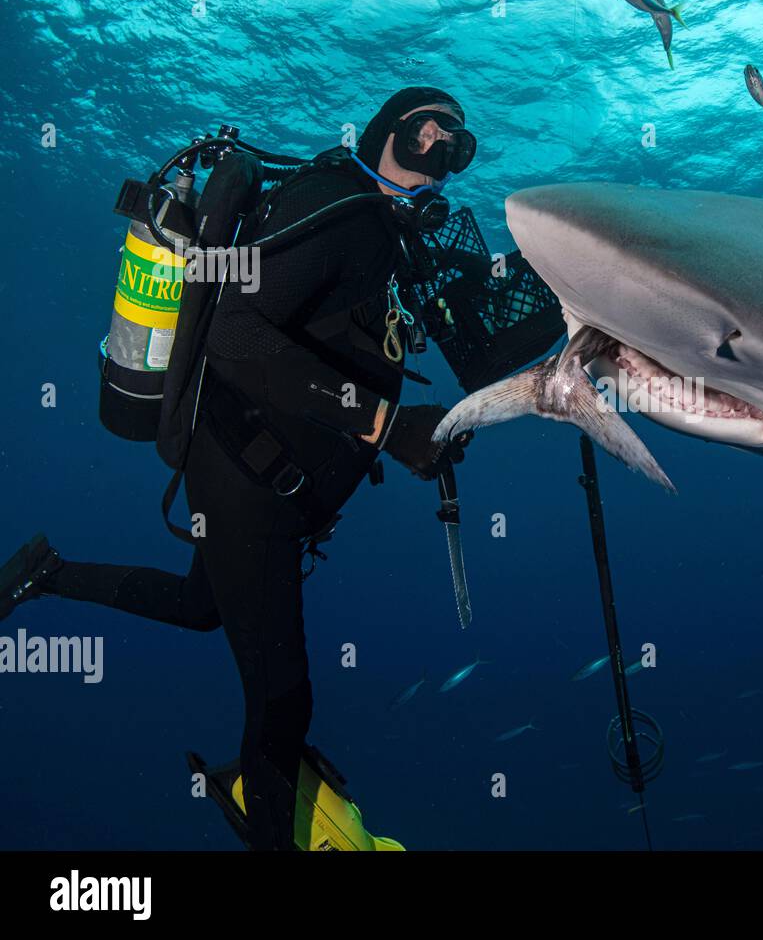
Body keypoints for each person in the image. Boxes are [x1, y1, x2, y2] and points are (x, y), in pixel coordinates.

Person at [0, 87, 476, 850]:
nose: (444, 161)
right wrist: (386, 425)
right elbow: (233, 331)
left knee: (201, 604)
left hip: (249, 470)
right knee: (284, 700)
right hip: (246, 477)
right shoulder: (346, 210)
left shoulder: (370, 226)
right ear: (392, 136)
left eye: (457, 148)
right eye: (432, 138)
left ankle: (42, 571)